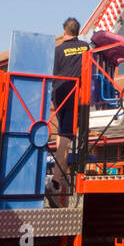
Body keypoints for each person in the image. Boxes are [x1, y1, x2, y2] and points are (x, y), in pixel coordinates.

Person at [51, 18, 90, 197]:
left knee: (62, 134)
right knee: (67, 137)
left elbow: (54, 73)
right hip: (76, 94)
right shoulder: (85, 47)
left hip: (59, 94)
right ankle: (56, 179)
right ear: (78, 31)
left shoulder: (58, 50)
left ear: (64, 32)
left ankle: (59, 175)